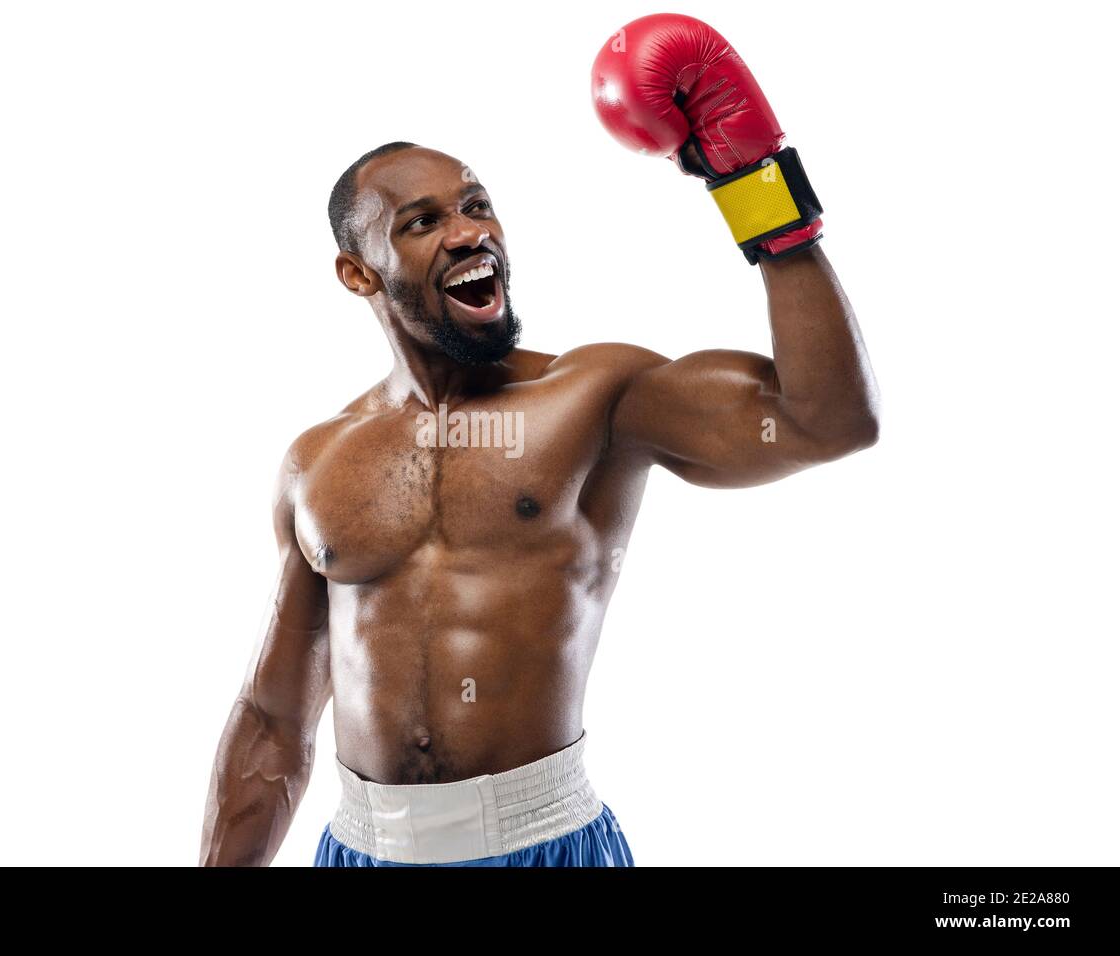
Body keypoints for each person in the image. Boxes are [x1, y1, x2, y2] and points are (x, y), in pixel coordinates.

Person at [199, 13, 879, 866]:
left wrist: (755, 186)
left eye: (477, 206)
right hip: (359, 850)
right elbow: (274, 720)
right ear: (358, 272)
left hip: (543, 841)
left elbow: (830, 420)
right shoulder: (320, 460)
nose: (468, 232)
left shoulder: (594, 395)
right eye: (422, 222)